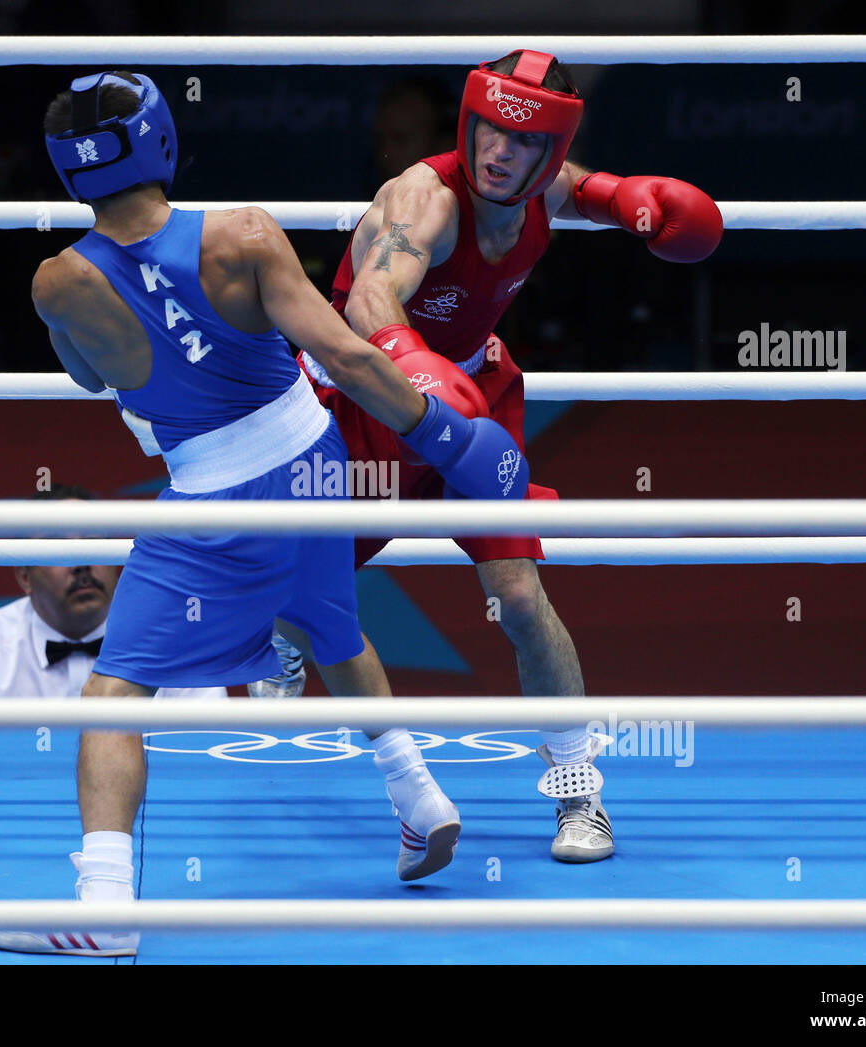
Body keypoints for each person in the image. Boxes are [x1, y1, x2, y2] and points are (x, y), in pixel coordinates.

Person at [0, 71, 533, 956]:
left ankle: (106, 908)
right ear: (161, 141)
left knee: (111, 695)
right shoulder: (244, 234)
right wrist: (447, 438)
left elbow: (92, 377)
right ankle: (419, 795)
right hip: (315, 463)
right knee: (328, 625)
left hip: (212, 493)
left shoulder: (57, 282)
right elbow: (351, 357)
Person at [296, 49, 723, 864]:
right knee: (291, 586)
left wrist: (629, 200)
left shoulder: (543, 187)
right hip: (370, 399)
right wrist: (409, 364)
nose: (499, 152)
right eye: (488, 130)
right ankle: (290, 636)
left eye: (523, 143)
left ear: (549, 153)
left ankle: (579, 794)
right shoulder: (424, 200)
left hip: (477, 400)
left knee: (520, 596)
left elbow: (585, 191)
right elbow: (369, 294)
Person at [0, 484, 227, 702]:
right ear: (24, 576)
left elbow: (212, 756)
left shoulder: (178, 646)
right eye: (59, 547)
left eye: (92, 541)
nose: (81, 563)